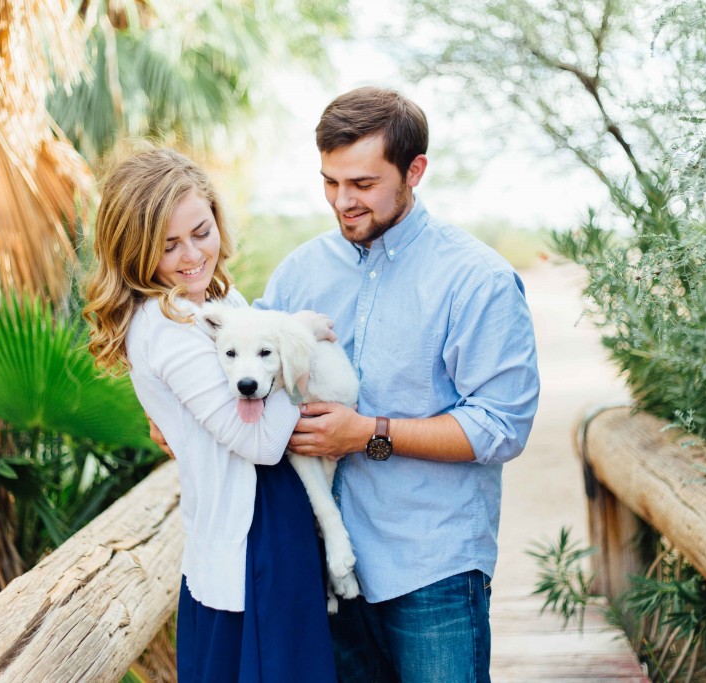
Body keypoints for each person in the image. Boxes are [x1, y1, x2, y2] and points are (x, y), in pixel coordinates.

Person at [150, 86, 540, 681]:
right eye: (330, 182)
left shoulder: (477, 280)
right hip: (316, 568)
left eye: (362, 184)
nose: (342, 201)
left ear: (416, 171)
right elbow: (241, 370)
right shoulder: (298, 273)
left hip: (430, 568)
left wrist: (367, 434)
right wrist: (175, 419)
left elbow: (502, 427)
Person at [83, 145, 337, 683]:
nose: (191, 255)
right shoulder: (171, 323)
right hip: (253, 528)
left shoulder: (213, 300)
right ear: (135, 252)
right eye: (168, 245)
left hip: (264, 518)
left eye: (201, 231)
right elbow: (263, 445)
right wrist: (296, 349)